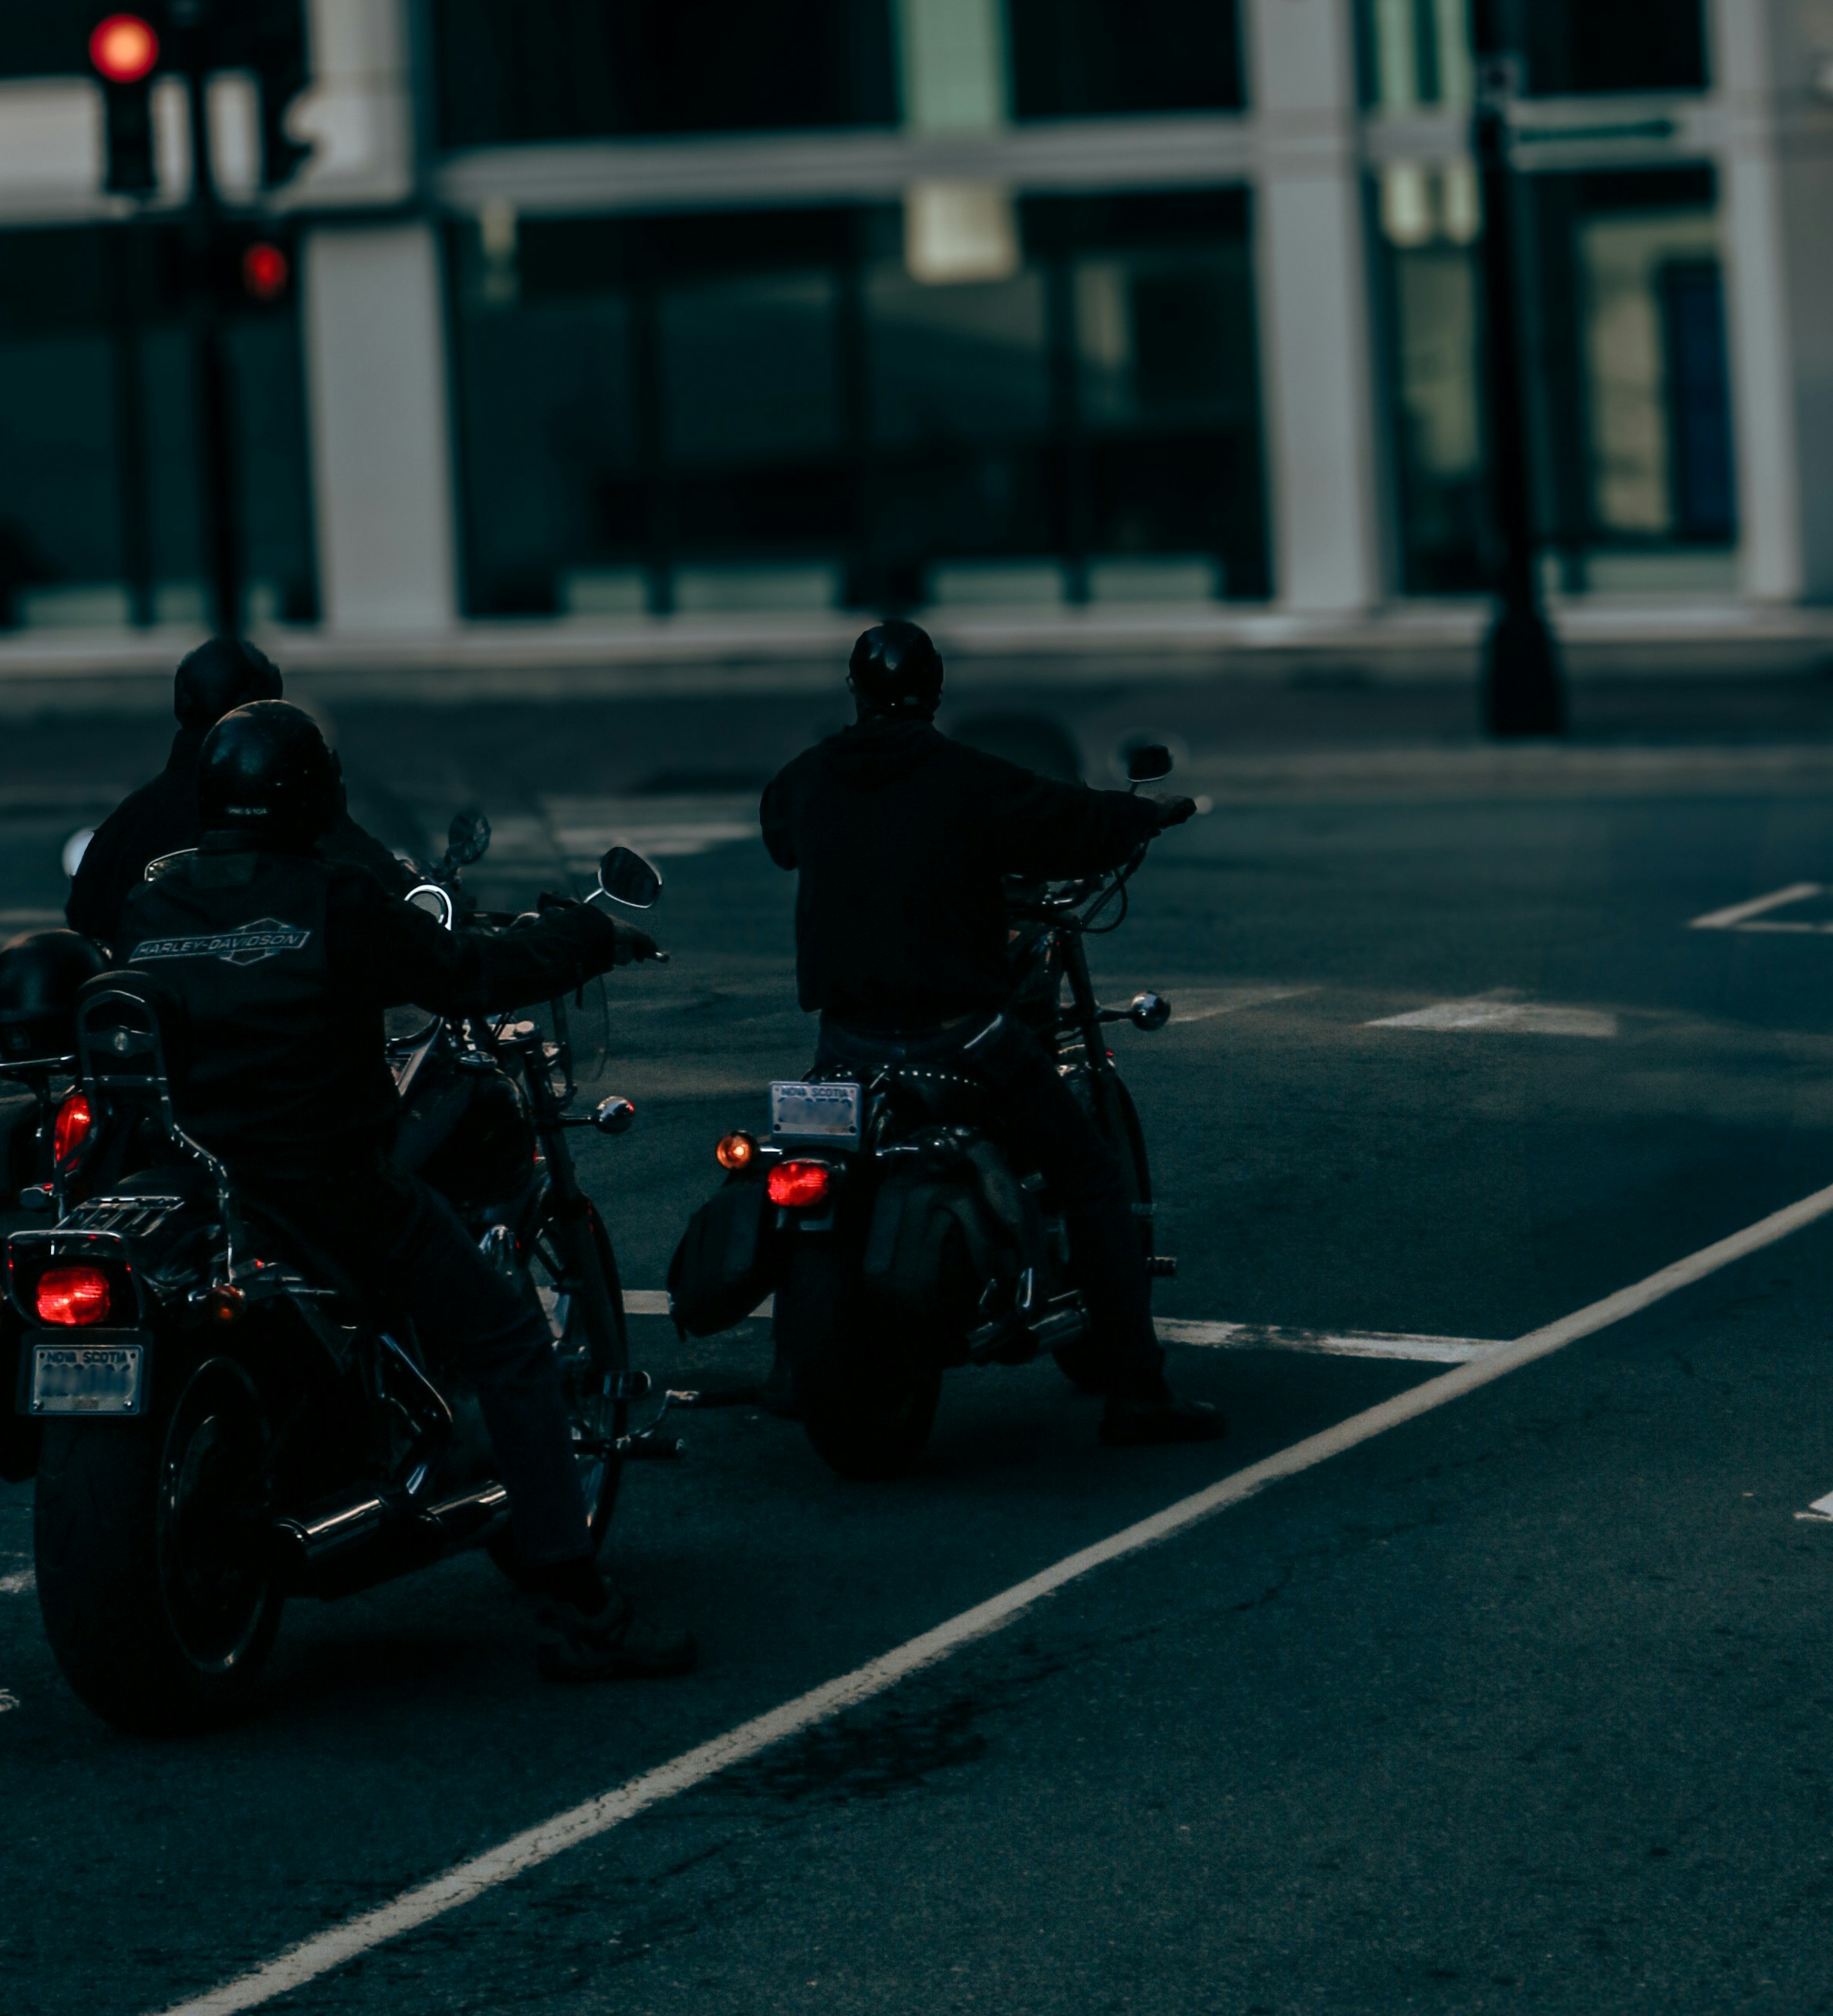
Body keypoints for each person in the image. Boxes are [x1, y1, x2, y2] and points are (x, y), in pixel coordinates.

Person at [116, 698, 696, 1684]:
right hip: (329, 1190)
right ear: (311, 796)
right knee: (509, 1337)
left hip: (202, 1184)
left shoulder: (152, 905)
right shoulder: (334, 900)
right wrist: (587, 934)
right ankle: (577, 1603)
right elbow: (466, 972)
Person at [759, 618, 1226, 1450]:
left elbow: (780, 837)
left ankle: (800, 1359)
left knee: (803, 1157)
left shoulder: (806, 777)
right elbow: (1072, 819)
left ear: (856, 692)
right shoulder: (967, 777)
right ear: (934, 694)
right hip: (958, 1037)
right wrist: (1144, 813)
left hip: (846, 1044)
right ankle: (1137, 1390)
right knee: (1090, 1173)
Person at [67, 633, 413, 953]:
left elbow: (86, 919)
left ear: (181, 702)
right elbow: (385, 888)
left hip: (164, 992)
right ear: (263, 705)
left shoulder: (133, 821)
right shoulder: (296, 808)